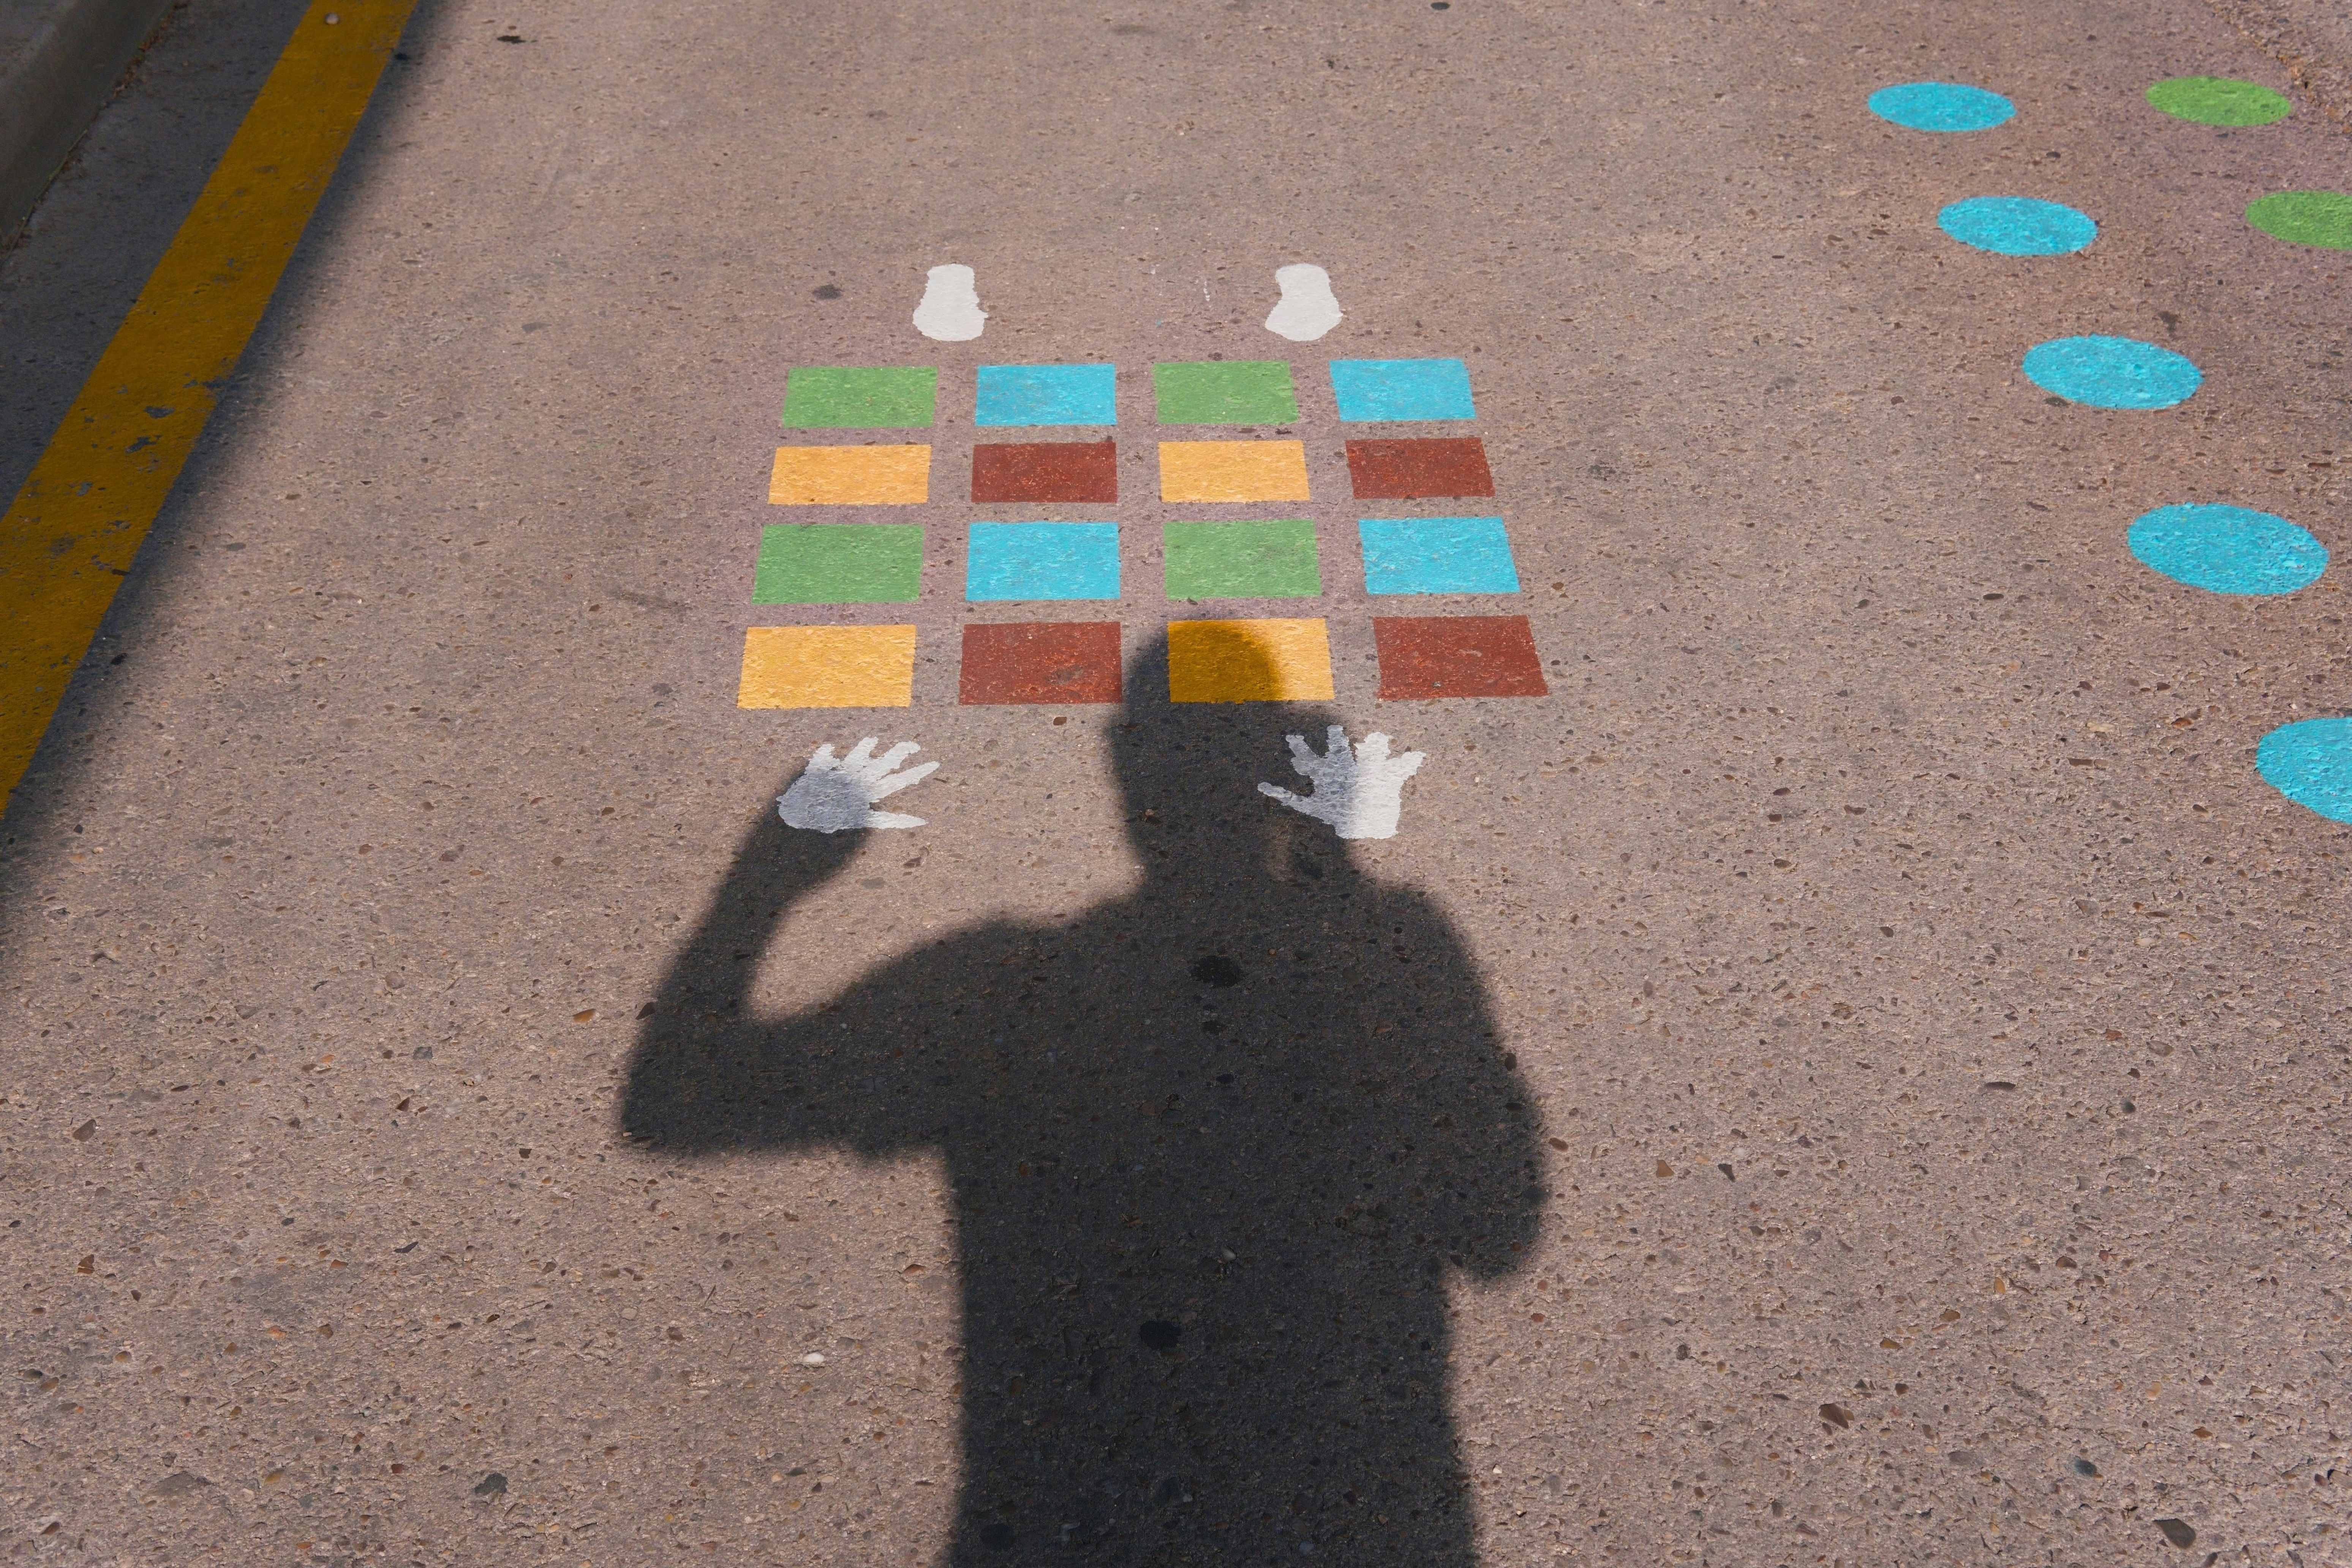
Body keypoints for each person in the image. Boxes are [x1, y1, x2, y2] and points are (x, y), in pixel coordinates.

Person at [621, 635, 1541, 1565]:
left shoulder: (991, 990)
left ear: (1123, 782)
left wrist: (767, 877)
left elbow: (677, 1100)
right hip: (1363, 1523)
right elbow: (1495, 1230)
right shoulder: (1400, 948)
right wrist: (1336, 887)